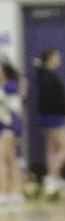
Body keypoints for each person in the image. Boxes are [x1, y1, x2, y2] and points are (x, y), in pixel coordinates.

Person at [34, 48, 65, 195]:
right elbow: (52, 98)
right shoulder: (48, 76)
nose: (59, 58)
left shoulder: (45, 74)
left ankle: (56, 178)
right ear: (50, 58)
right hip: (54, 116)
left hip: (47, 116)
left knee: (52, 148)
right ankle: (51, 176)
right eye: (57, 55)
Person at [0, 60, 25, 202]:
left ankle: (3, 192)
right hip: (2, 126)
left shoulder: (10, 86)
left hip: (9, 125)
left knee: (1, 159)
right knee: (11, 159)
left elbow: (15, 108)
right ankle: (16, 192)